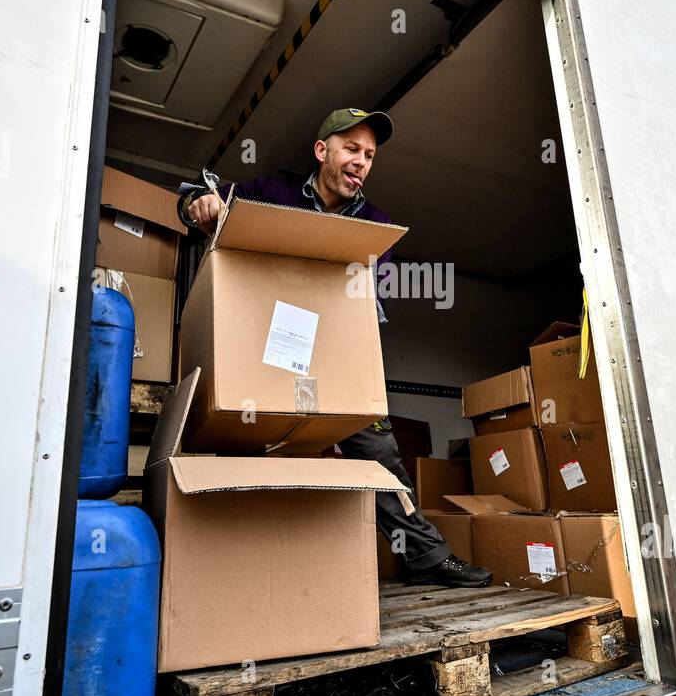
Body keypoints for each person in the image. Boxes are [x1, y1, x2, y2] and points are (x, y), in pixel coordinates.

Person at [178, 108, 492, 588]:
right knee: (240, 442)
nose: (361, 161)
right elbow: (196, 200)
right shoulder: (271, 193)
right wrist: (200, 205)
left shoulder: (374, 225)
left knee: (380, 454)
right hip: (262, 351)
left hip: (331, 359)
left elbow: (368, 305)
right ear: (322, 151)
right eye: (351, 148)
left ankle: (425, 556)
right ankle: (229, 565)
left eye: (369, 155)